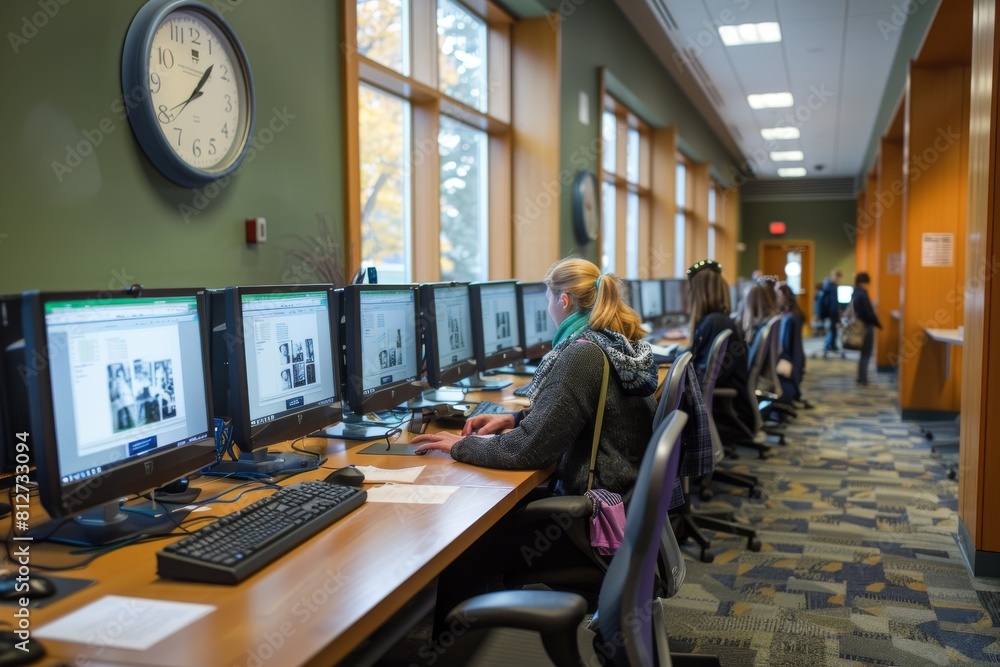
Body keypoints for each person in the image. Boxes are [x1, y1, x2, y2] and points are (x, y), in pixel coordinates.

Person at [411, 256, 658, 636]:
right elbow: (577, 414)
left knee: (468, 540)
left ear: (563, 301)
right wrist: (513, 420)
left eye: (547, 297)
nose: (546, 307)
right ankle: (499, 630)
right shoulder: (615, 343)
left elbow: (528, 452)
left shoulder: (582, 354)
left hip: (589, 525)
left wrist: (458, 447)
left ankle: (454, 649)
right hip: (621, 504)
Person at [685, 259, 755, 440]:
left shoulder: (714, 323)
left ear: (699, 292)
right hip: (733, 404)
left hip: (730, 409)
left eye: (691, 289)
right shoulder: (719, 320)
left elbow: (703, 376)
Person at [774, 282, 806, 404]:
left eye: (777, 296)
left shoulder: (791, 318)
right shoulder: (788, 316)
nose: (775, 299)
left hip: (789, 361)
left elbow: (791, 348)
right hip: (791, 358)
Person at [851, 272, 882, 384]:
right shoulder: (863, 295)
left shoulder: (855, 292)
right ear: (864, 282)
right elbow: (869, 313)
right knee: (866, 353)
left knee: (863, 353)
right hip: (866, 326)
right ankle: (863, 378)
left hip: (859, 324)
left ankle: (861, 376)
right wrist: (878, 324)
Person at [820, 269, 843, 356]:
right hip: (831, 311)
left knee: (833, 329)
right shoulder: (830, 286)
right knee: (832, 329)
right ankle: (829, 345)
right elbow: (832, 301)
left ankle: (831, 345)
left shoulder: (830, 286)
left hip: (832, 311)